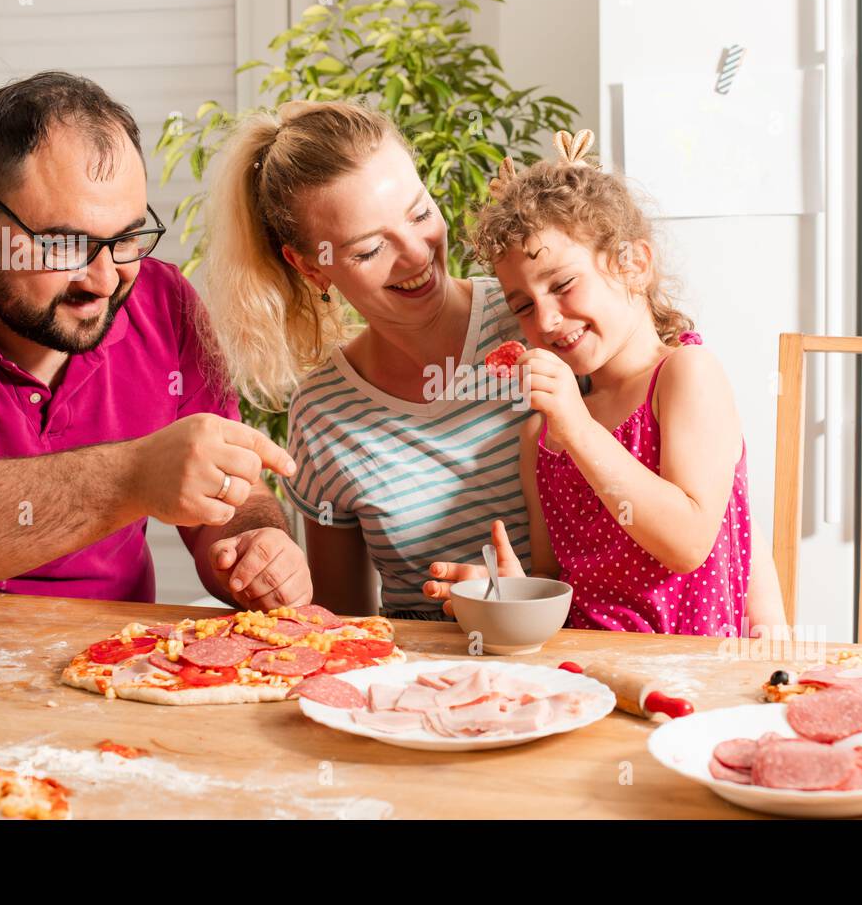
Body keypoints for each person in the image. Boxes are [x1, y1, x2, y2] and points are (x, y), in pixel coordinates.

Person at [0, 71, 311, 610]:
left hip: (111, 671)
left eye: (127, 238)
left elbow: (225, 488)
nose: (103, 281)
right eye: (63, 244)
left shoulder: (163, 301)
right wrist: (133, 476)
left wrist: (254, 545)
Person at [426, 130, 787, 636]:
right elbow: (556, 580)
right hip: (583, 671)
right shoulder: (540, 438)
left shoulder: (685, 375)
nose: (547, 320)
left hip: (685, 675)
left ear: (633, 264)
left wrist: (579, 428)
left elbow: (687, 543)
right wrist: (513, 592)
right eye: (524, 306)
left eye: (563, 284)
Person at [202, 100, 530, 619]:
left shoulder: (536, 318)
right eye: (370, 249)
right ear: (312, 269)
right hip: (415, 686)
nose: (418, 255)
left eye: (420, 213)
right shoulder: (324, 414)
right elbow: (342, 622)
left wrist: (529, 599)